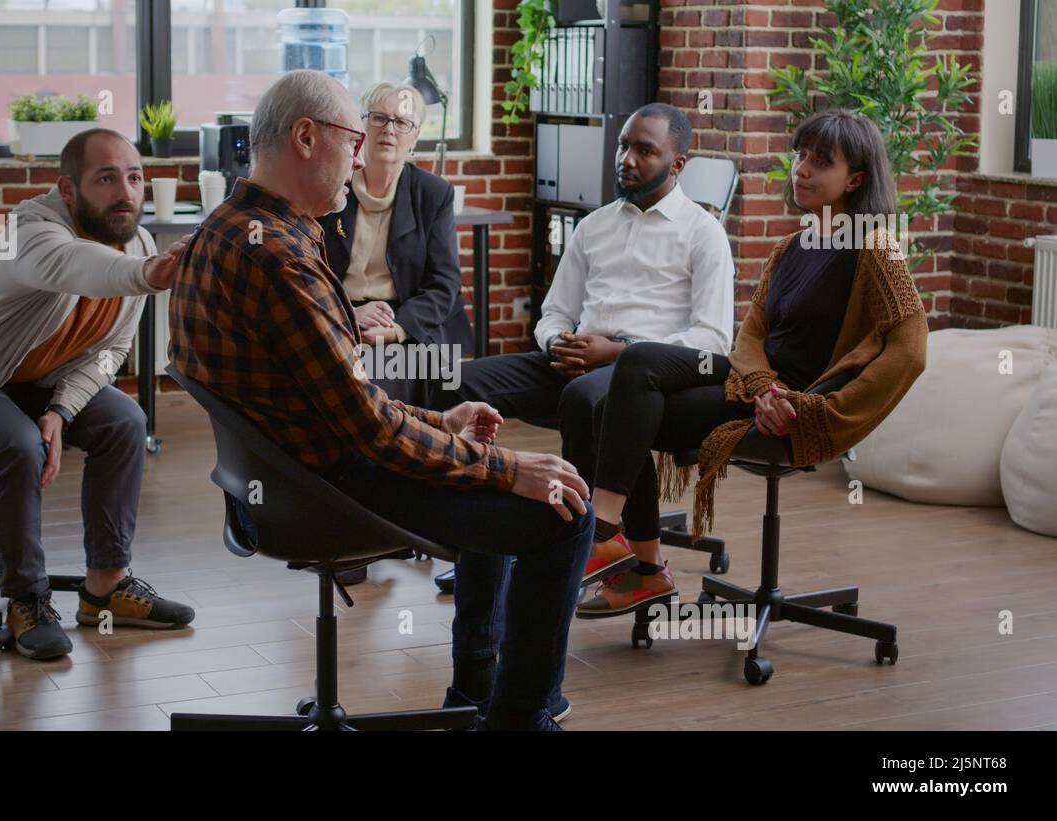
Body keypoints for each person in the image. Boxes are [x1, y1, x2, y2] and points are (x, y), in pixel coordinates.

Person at [169, 69, 593, 730]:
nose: (365, 156)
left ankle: (478, 690)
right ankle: (516, 718)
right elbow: (365, 427)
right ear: (306, 138)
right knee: (561, 506)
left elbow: (340, 396)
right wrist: (510, 468)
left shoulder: (222, 227)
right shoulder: (280, 258)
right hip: (322, 488)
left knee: (487, 465)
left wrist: (440, 420)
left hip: (274, 480)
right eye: (354, 139)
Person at [578, 108, 928, 618]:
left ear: (854, 179)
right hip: (754, 387)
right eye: (800, 155)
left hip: (798, 409)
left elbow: (911, 349)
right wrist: (762, 386)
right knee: (637, 364)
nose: (801, 169)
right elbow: (750, 337)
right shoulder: (790, 247)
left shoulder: (877, 248)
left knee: (618, 407)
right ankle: (617, 541)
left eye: (820, 162)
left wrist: (822, 411)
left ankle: (622, 550)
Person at [0, 128, 196, 660]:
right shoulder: (30, 232)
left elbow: (106, 355)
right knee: (17, 443)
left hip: (35, 383)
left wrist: (59, 410)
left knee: (125, 421)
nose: (125, 192)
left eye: (134, 176)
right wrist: (147, 273)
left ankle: (106, 588)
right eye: (106, 179)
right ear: (69, 189)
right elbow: (73, 266)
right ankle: (26, 599)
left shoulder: (139, 244)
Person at [429, 103, 735, 600]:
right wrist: (559, 342)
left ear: (677, 165)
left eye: (644, 150)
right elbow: (553, 312)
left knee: (594, 397)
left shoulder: (703, 234)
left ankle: (585, 535)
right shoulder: (594, 225)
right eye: (623, 146)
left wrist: (619, 352)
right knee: (459, 384)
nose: (626, 159)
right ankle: (477, 534)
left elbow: (712, 339)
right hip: (574, 360)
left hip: (642, 373)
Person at [317, 80, 473, 406]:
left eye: (402, 122)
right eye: (379, 118)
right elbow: (307, 266)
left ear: (414, 137)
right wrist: (347, 314)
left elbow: (444, 284)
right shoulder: (331, 186)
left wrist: (395, 329)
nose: (389, 129)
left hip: (406, 326)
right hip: (340, 316)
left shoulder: (433, 195)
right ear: (360, 126)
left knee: (370, 384)